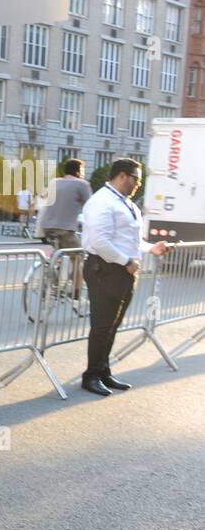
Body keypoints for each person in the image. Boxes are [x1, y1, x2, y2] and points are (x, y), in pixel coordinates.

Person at [79, 158, 172, 396]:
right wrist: (126, 261)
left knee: (113, 325)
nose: (138, 185)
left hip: (122, 270)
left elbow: (131, 240)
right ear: (122, 175)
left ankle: (103, 371)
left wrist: (151, 247)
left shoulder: (125, 203)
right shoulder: (102, 201)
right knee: (102, 326)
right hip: (105, 269)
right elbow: (100, 242)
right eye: (136, 179)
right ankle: (90, 376)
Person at [38, 159, 91, 298]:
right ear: (78, 171)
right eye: (83, 171)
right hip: (65, 229)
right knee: (78, 258)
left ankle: (53, 283)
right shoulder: (82, 184)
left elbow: (44, 198)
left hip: (46, 227)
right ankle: (76, 293)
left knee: (58, 254)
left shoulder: (54, 182)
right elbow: (91, 207)